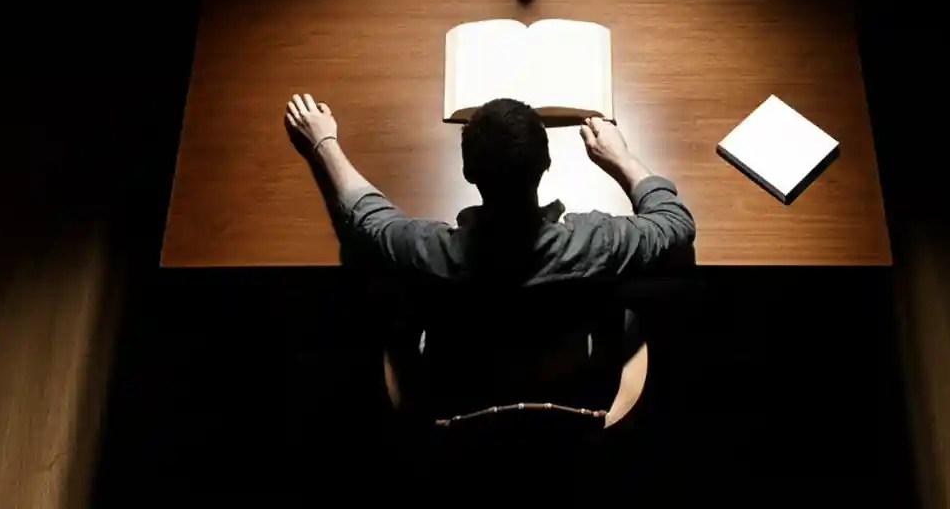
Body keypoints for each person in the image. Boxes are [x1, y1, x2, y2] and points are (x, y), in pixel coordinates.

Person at [284, 93, 695, 489]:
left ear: (468, 171)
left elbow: (364, 218)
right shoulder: (594, 243)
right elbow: (675, 225)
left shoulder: (428, 251)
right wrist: (621, 159)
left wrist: (324, 144)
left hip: (457, 396)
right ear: (546, 163)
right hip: (574, 389)